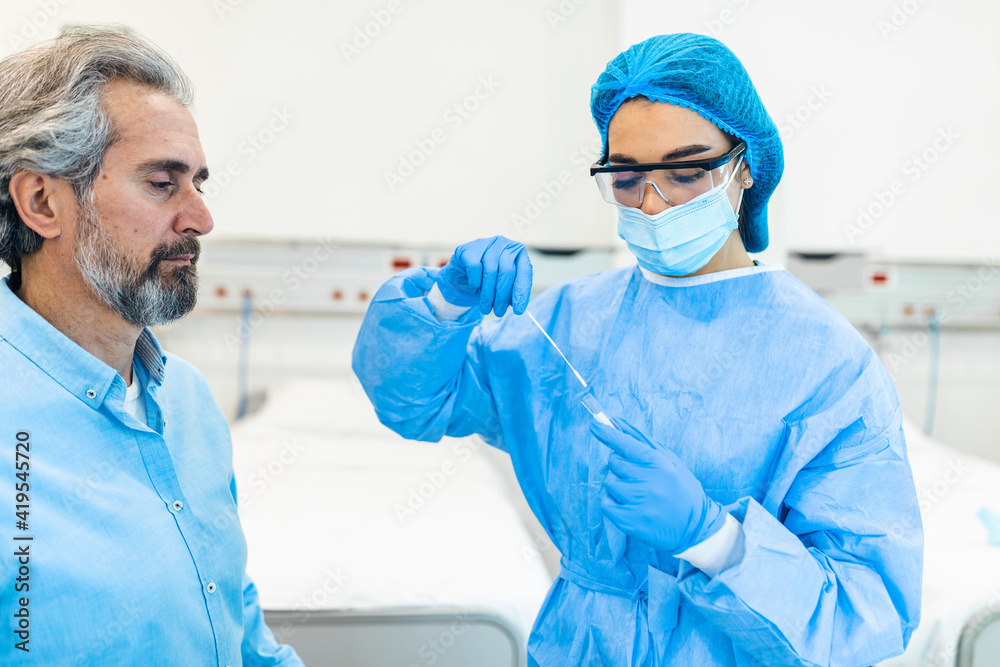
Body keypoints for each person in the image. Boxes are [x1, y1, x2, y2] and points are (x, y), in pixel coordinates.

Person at [353, 34, 922, 665]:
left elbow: (869, 612)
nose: (652, 204)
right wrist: (447, 304)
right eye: (626, 178)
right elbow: (414, 402)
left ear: (747, 166)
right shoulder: (568, 321)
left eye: (685, 173)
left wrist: (716, 542)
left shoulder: (826, 364)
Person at [0, 26, 303, 666]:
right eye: (163, 183)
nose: (201, 217)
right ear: (41, 202)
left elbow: (237, 629)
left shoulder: (187, 401)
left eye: (199, 183)